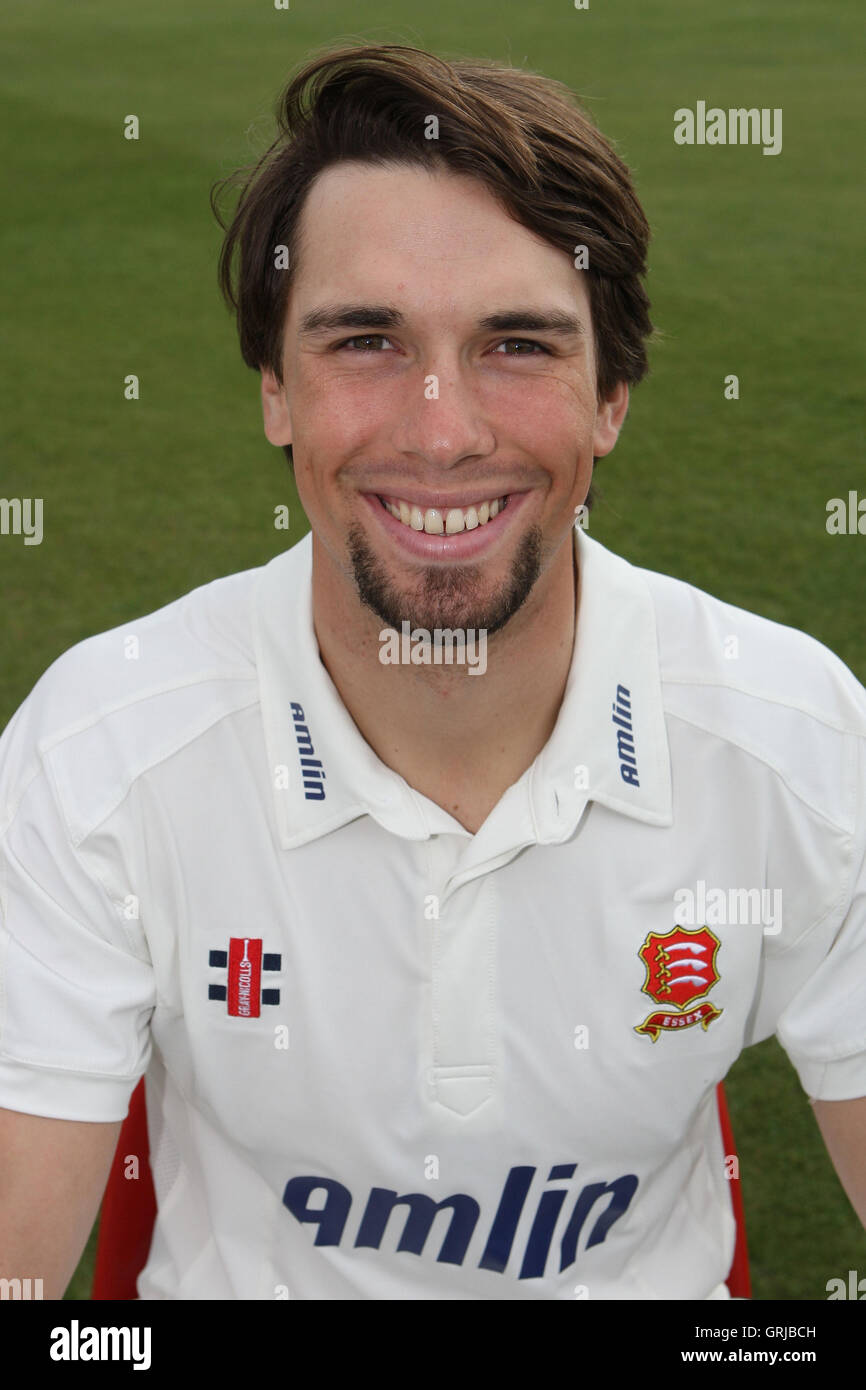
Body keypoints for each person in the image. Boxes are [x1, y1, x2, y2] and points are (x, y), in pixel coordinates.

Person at [0, 42, 863, 1301]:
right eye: (363, 340)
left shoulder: (798, 737)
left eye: (517, 344)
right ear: (275, 390)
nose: (442, 429)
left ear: (610, 395)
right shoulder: (100, 750)